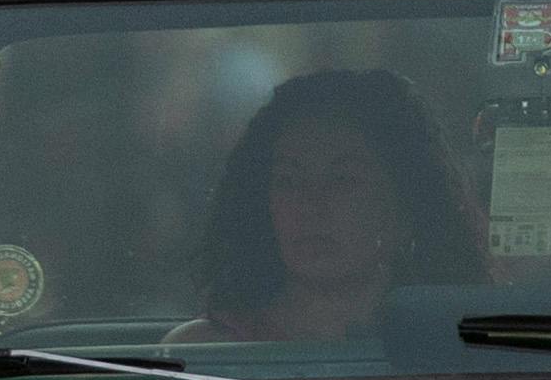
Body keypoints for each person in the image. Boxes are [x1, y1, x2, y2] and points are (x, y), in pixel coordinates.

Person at [186, 69, 483, 342]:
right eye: (289, 181)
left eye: (343, 180)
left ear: (406, 206)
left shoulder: (453, 348)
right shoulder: (207, 352)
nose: (310, 205)